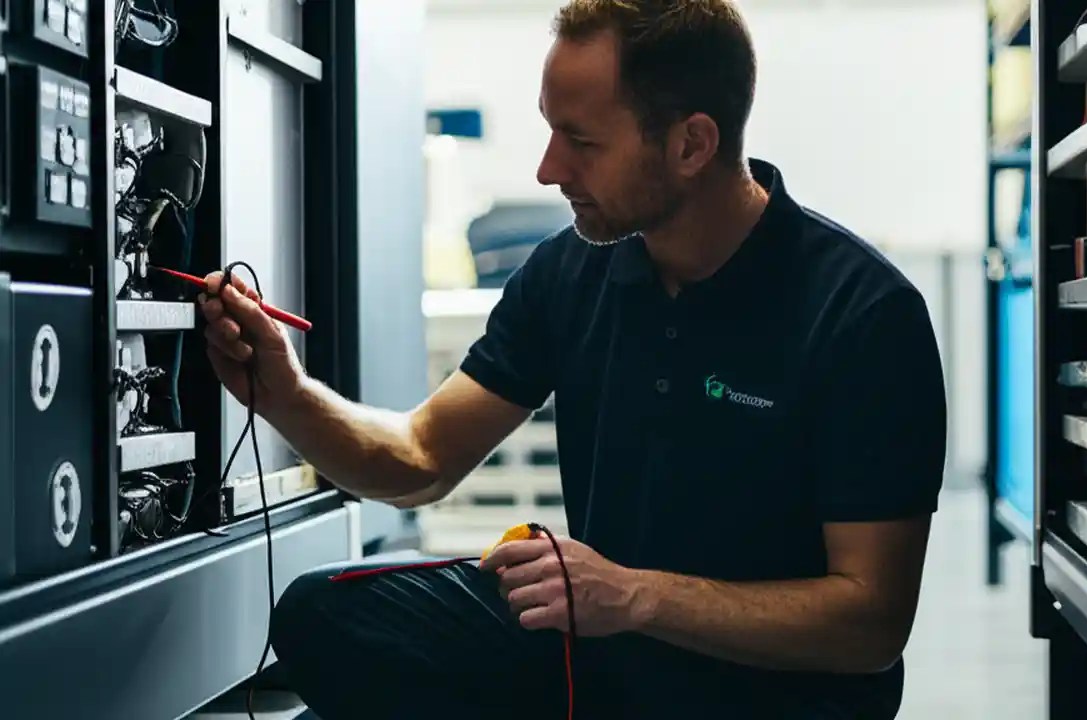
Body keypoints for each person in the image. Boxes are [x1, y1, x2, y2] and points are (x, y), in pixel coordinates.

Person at [199, 1, 946, 718]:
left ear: (692, 144)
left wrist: (631, 595)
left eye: (582, 142)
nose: (548, 170)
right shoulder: (570, 275)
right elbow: (423, 457)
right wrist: (286, 392)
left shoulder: (861, 315)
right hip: (608, 666)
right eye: (550, 131)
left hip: (778, 696)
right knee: (324, 618)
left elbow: (871, 623)